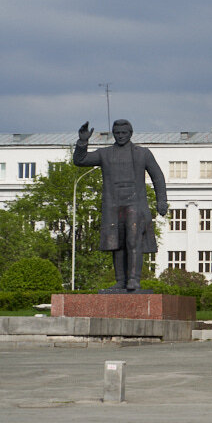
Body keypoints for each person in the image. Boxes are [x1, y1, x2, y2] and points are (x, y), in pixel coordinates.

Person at [73, 120, 167, 293]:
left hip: (135, 204)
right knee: (116, 243)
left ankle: (133, 280)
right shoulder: (105, 153)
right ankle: (120, 281)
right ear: (113, 133)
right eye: (117, 133)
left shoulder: (143, 153)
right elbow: (80, 160)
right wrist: (82, 142)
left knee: (133, 241)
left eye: (124, 133)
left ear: (130, 133)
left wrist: (161, 200)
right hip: (113, 205)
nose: (121, 136)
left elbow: (158, 177)